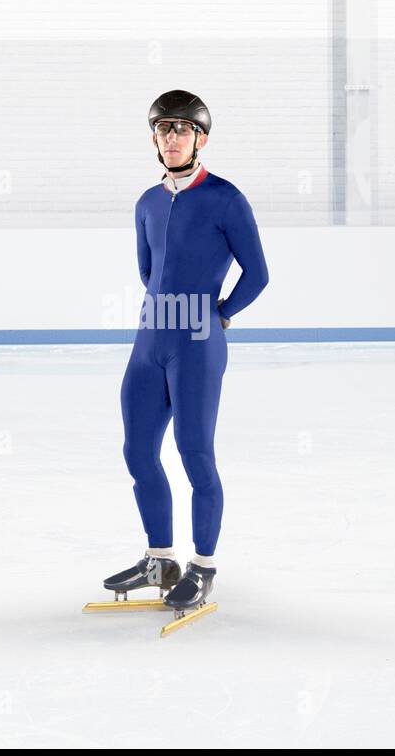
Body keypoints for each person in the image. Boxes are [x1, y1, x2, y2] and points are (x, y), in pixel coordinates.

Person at [102, 90, 269, 614]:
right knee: (137, 452)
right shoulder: (147, 202)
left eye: (182, 129)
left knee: (195, 453)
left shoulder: (225, 198)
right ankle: (160, 559)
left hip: (198, 339)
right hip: (151, 335)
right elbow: (147, 270)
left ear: (200, 138)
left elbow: (258, 274)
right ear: (154, 138)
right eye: (163, 128)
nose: (172, 137)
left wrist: (218, 314)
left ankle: (203, 565)